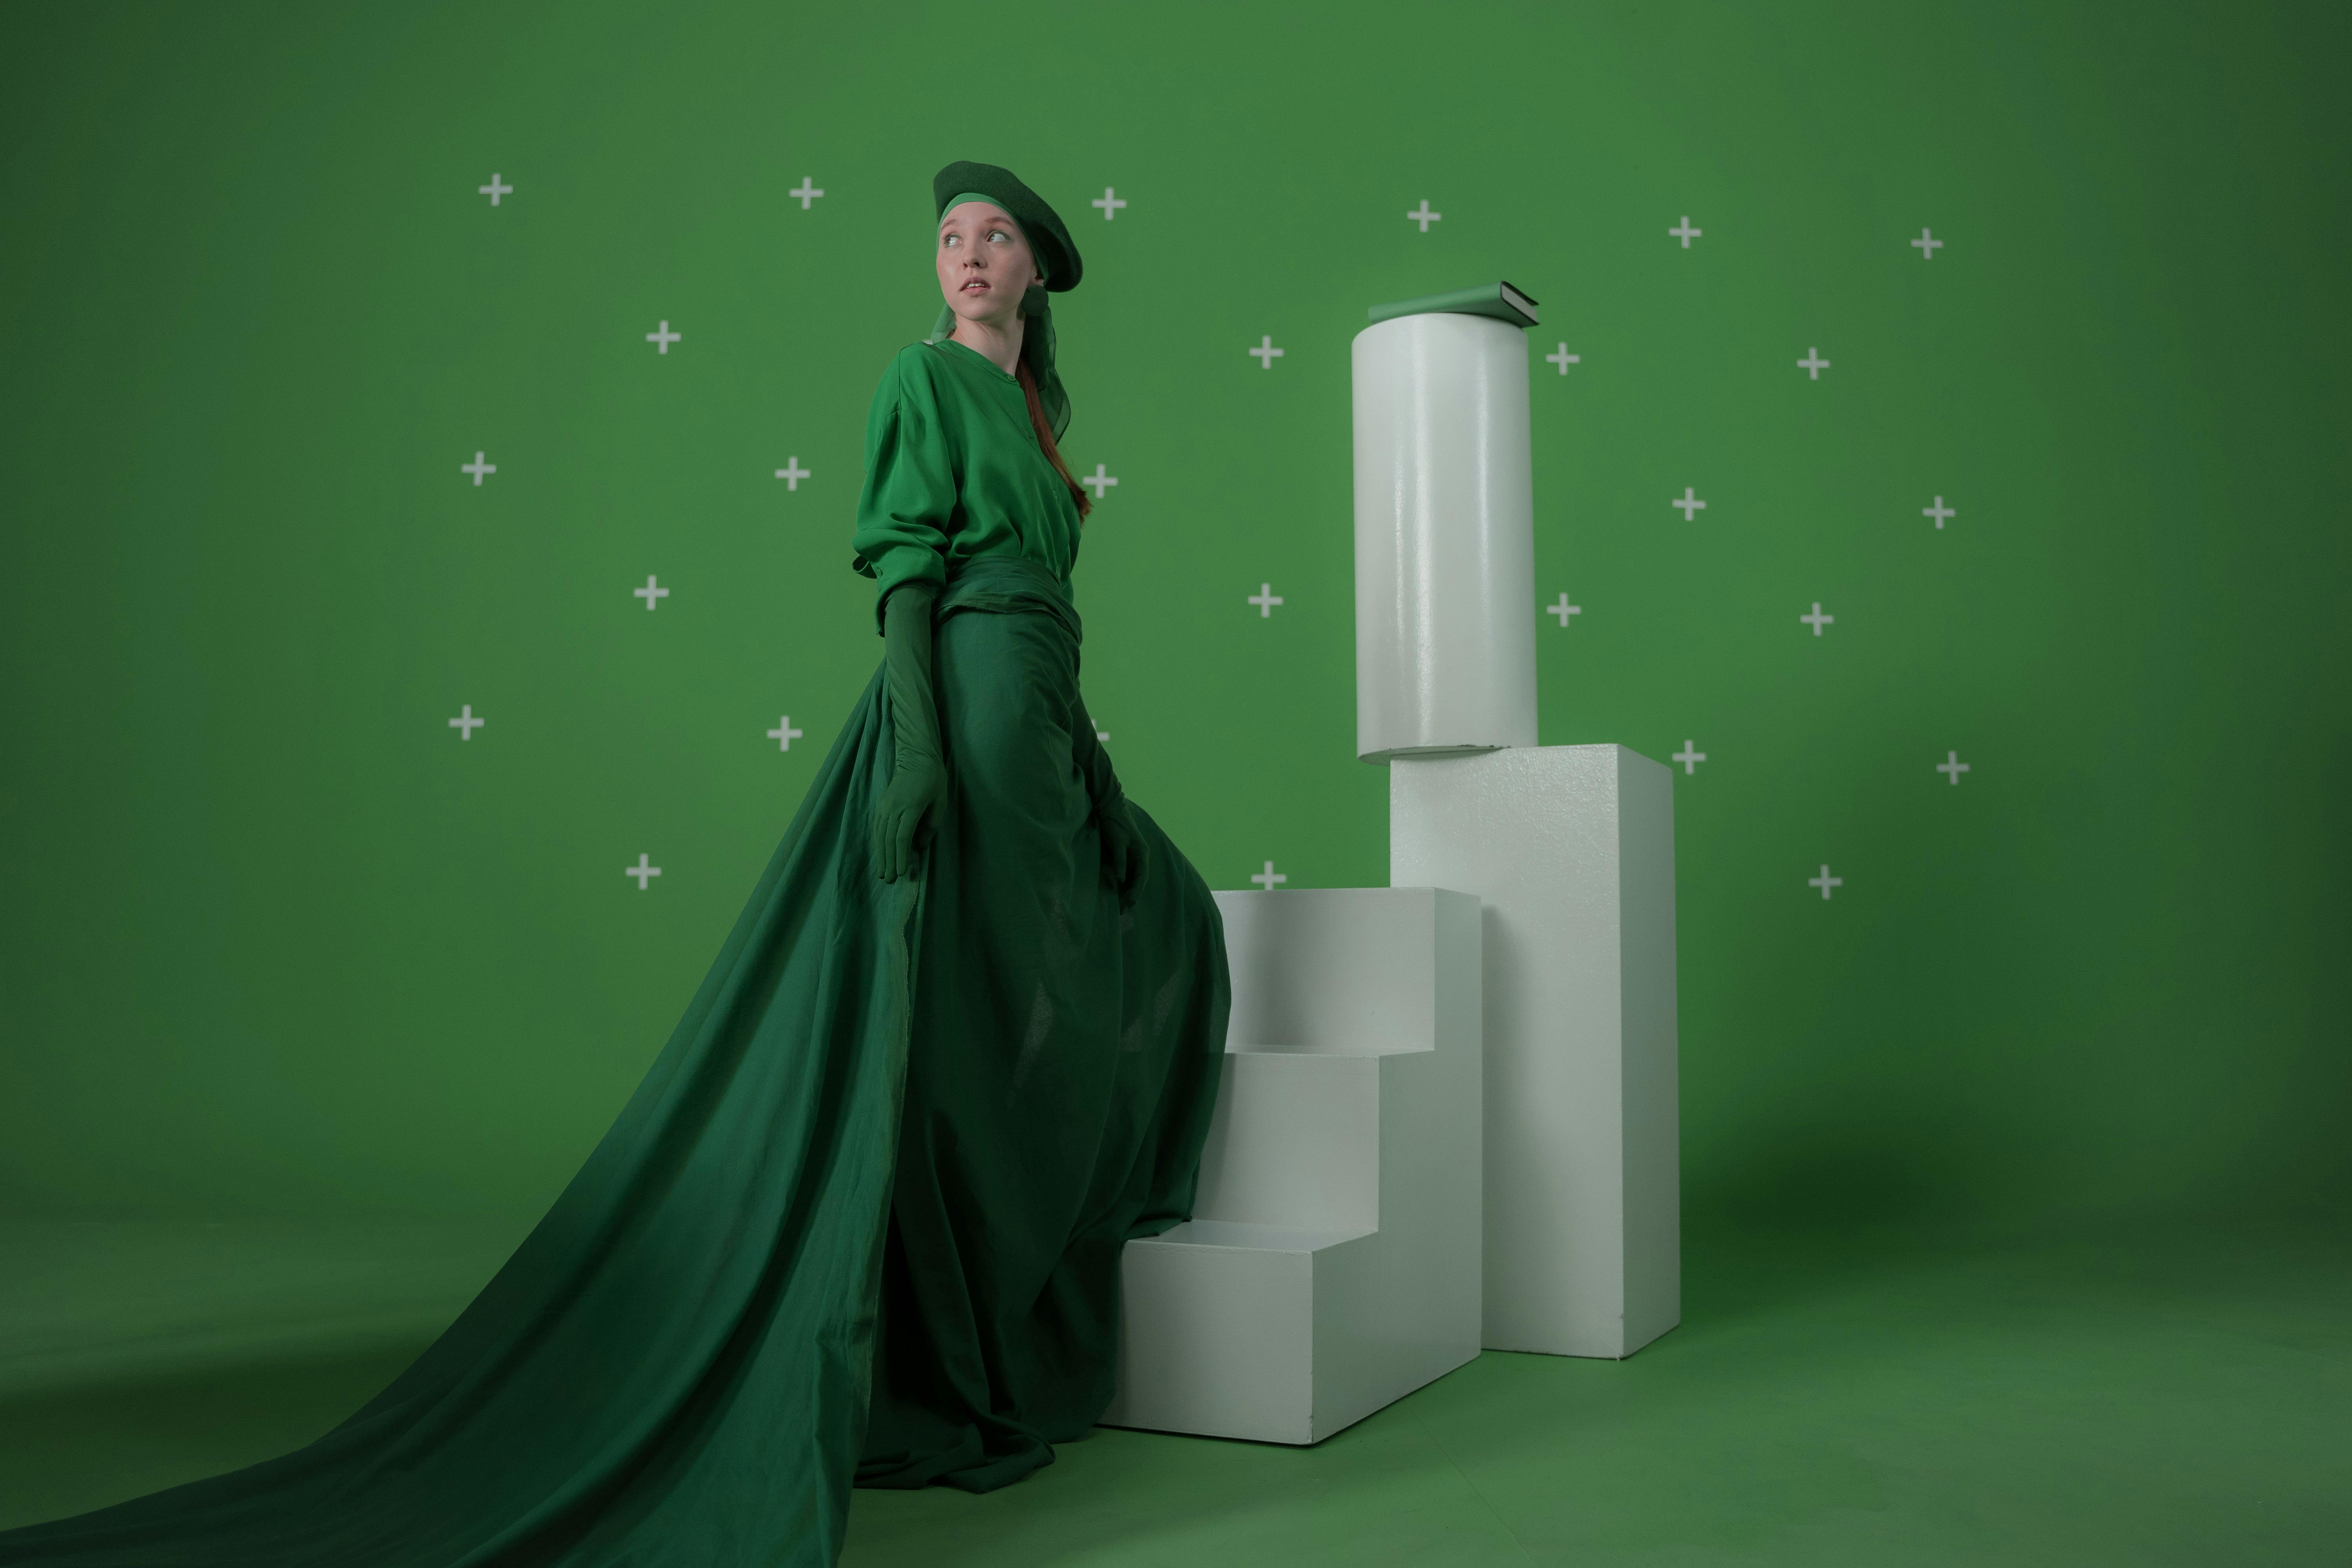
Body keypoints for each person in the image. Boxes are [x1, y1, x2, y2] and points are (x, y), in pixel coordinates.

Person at [0, 160, 1231, 1568]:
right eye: (948, 238)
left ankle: (1031, 1277)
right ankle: (941, 1337)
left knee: (1163, 921)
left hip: (1042, 714)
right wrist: (916, 749)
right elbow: (905, 573)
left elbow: (1052, 610)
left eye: (994, 238)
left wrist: (1095, 762)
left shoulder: (1037, 414)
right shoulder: (920, 379)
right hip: (961, 703)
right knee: (958, 1016)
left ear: (1037, 275)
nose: (965, 255)